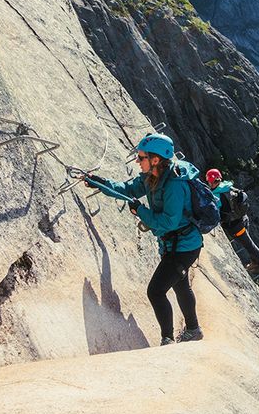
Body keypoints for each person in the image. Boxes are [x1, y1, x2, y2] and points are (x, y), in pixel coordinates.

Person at [85, 134, 204, 345]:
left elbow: (168, 222)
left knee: (156, 291)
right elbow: (128, 189)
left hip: (184, 247)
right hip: (173, 244)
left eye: (141, 157)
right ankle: (194, 330)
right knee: (180, 286)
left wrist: (140, 210)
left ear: (155, 159)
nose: (137, 161)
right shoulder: (152, 177)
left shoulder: (174, 185)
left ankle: (167, 339)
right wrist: (101, 184)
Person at [205, 168, 259, 276]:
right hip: (243, 219)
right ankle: (255, 262)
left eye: (210, 181)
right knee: (247, 243)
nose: (210, 183)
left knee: (248, 244)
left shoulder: (217, 195)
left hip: (235, 226)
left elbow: (214, 212)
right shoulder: (227, 186)